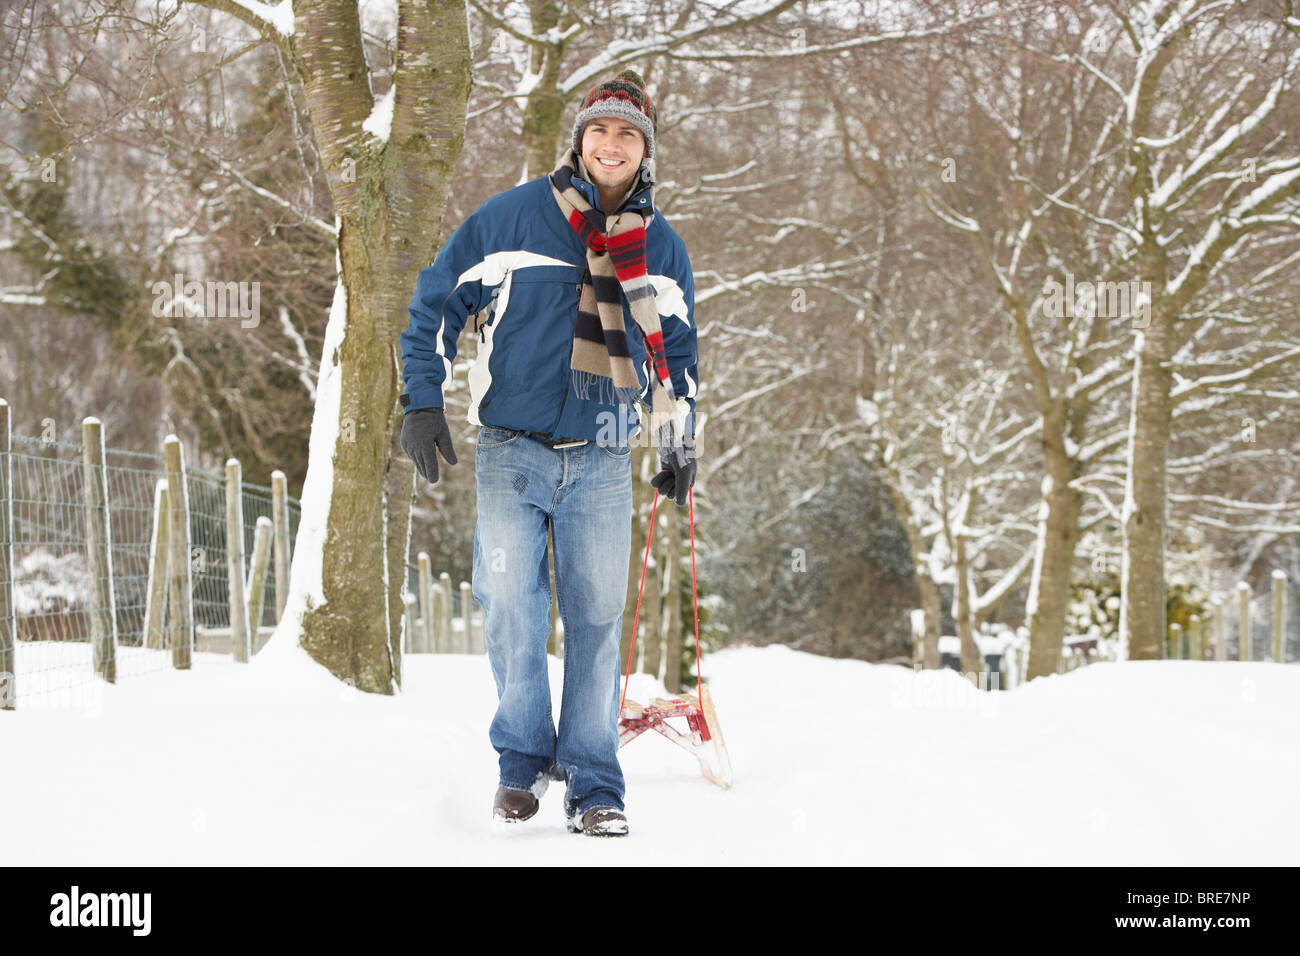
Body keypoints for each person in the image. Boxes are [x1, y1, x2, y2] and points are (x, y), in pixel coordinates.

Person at [398, 69, 700, 837]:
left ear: (645, 151)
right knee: (510, 606)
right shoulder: (513, 218)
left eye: (627, 133)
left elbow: (678, 356)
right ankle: (520, 761)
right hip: (511, 449)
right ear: (580, 139)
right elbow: (436, 300)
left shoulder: (660, 247)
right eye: (599, 130)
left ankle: (596, 783)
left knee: (598, 617)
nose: (611, 143)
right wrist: (423, 399)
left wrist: (678, 437)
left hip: (602, 455)